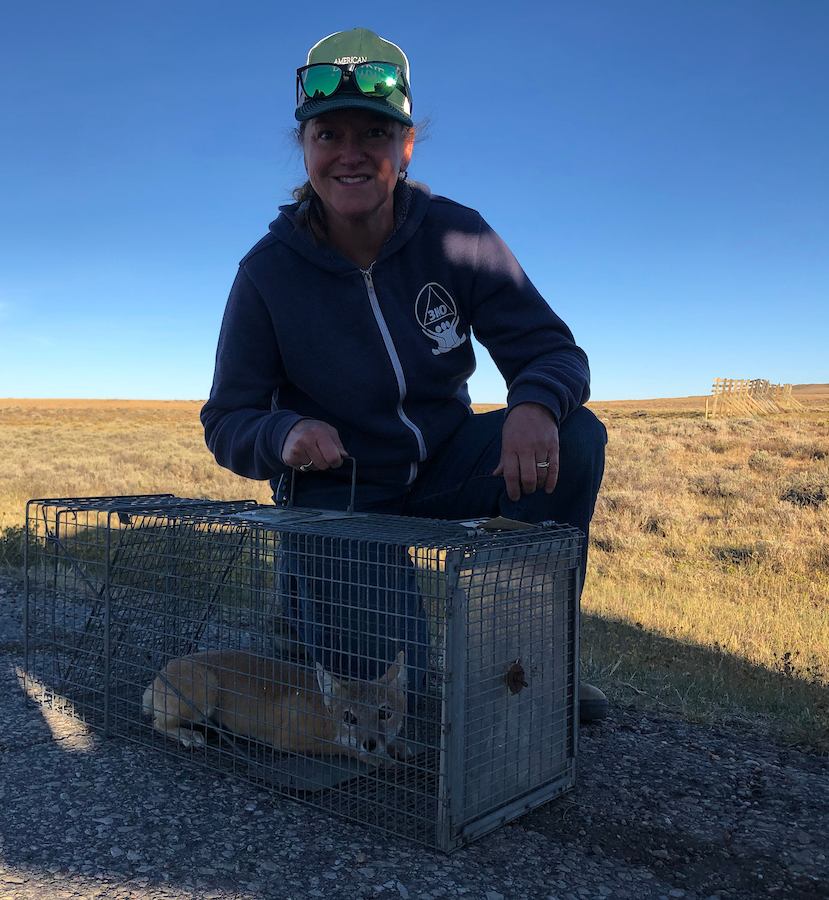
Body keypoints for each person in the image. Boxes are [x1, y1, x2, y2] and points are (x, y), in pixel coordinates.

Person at [200, 27, 609, 722]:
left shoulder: (458, 235)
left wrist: (535, 405)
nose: (351, 153)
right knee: (398, 712)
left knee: (575, 436)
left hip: (447, 465)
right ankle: (306, 607)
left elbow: (554, 351)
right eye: (328, 134)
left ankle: (532, 663)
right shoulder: (267, 272)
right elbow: (227, 420)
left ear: (407, 144)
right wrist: (283, 433)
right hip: (342, 492)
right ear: (305, 148)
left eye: (375, 133)